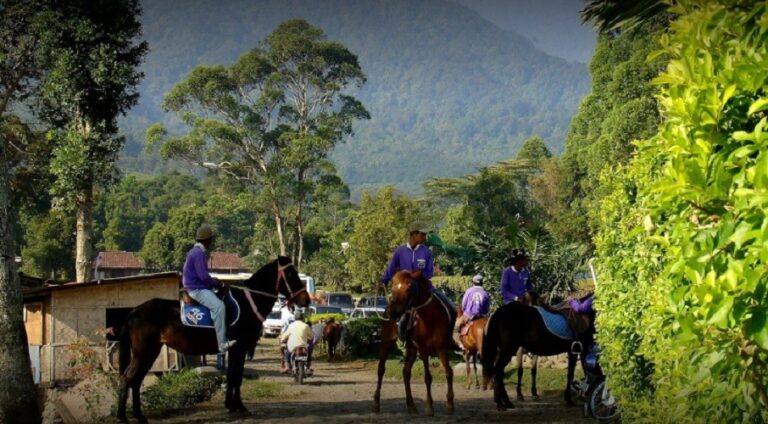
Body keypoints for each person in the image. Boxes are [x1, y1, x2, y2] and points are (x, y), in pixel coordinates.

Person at [379, 221, 457, 345]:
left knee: (452, 308)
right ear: (414, 234)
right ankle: (401, 341)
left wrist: (420, 275)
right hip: (405, 293)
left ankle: (448, 339)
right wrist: (382, 282)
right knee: (396, 313)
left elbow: (429, 272)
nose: (425, 237)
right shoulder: (400, 251)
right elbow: (391, 270)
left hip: (426, 289)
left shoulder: (426, 252)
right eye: (422, 234)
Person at [182, 224, 236, 353]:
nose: (212, 241)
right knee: (219, 306)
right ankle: (222, 343)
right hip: (196, 289)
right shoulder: (199, 253)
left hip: (197, 286)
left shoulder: (194, 252)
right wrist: (219, 284)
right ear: (207, 240)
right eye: (211, 239)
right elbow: (203, 277)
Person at [280, 309, 314, 375]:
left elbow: (285, 336)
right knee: (309, 353)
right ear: (302, 318)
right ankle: (308, 366)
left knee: (286, 352)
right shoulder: (305, 326)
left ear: (295, 318)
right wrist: (309, 338)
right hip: (303, 345)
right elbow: (311, 336)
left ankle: (287, 367)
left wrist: (282, 339)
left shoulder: (291, 325)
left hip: (292, 346)